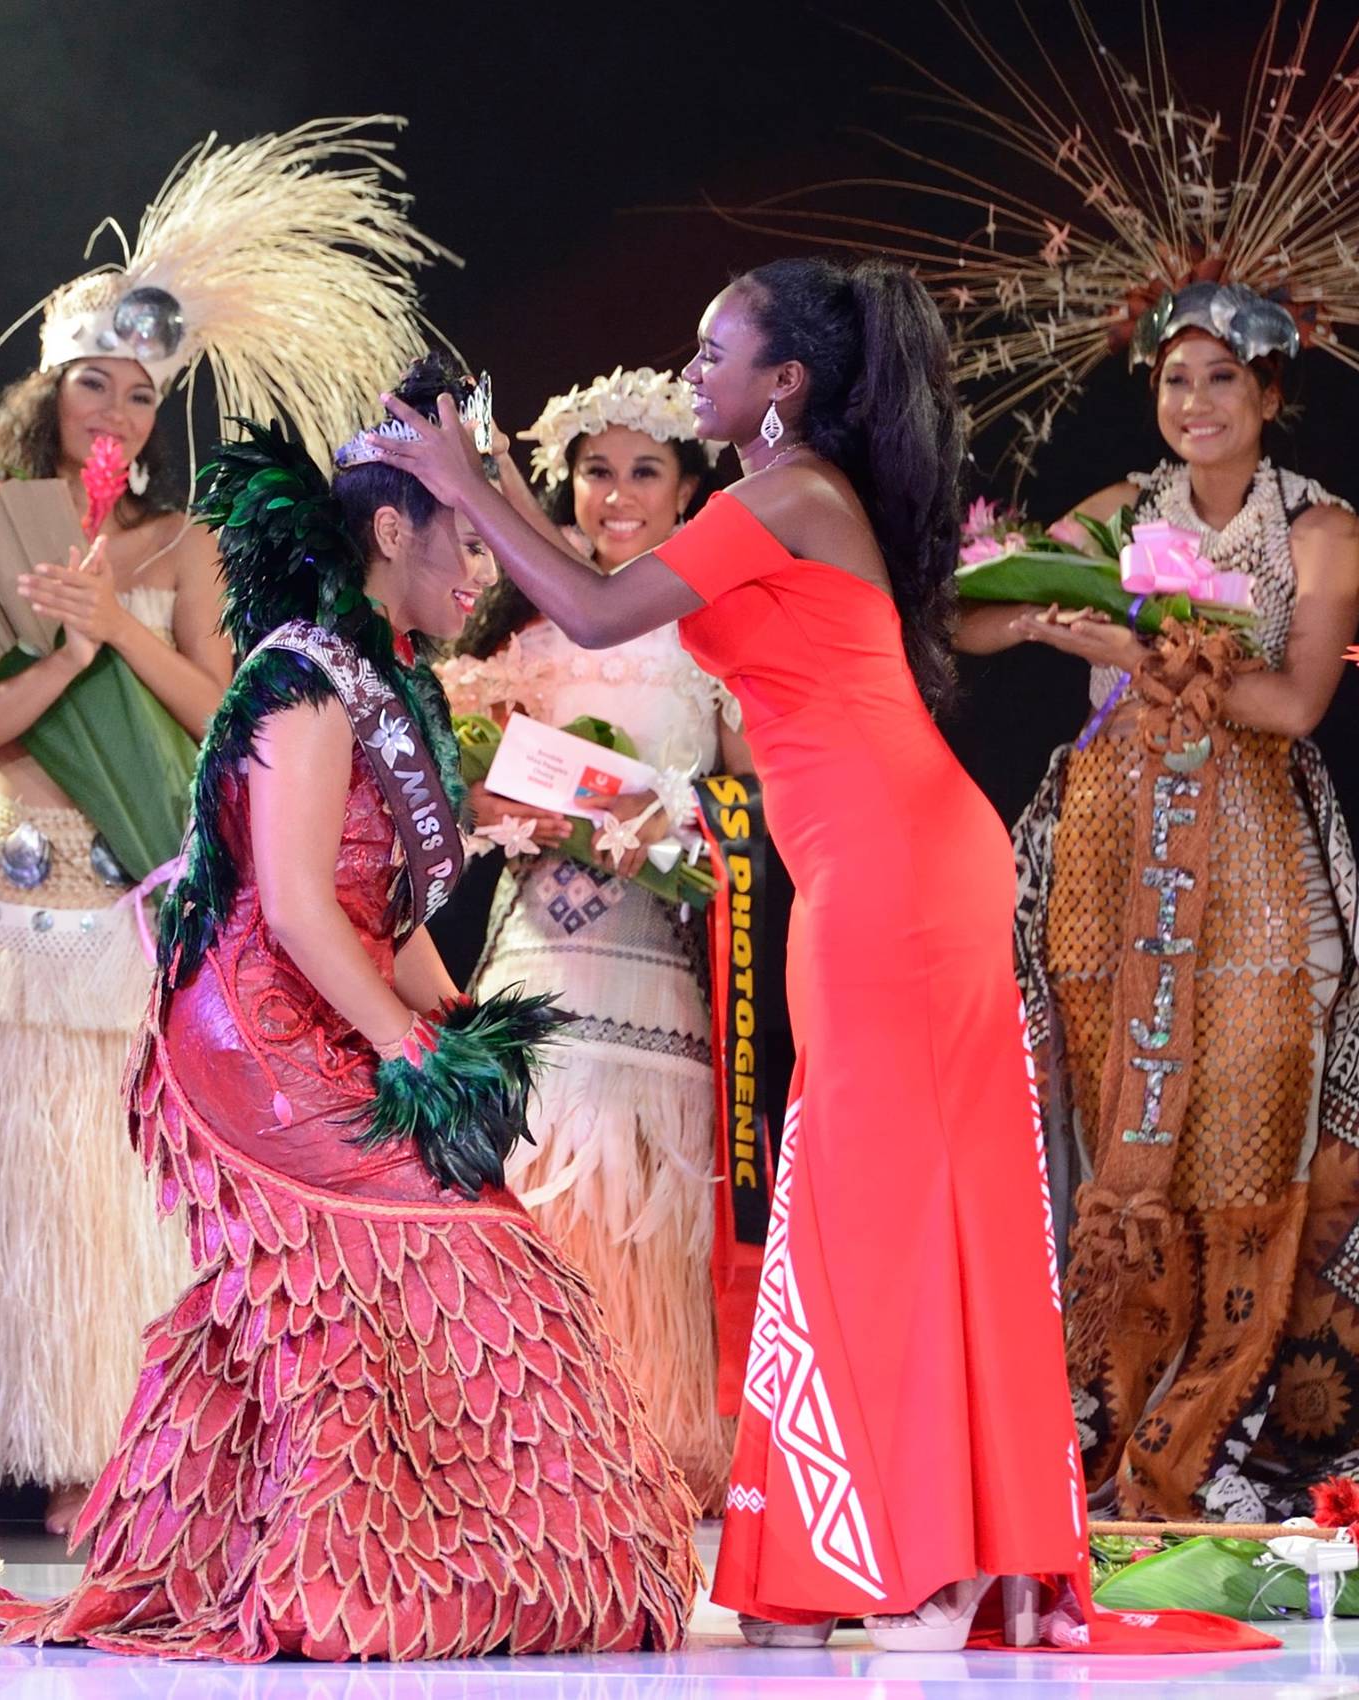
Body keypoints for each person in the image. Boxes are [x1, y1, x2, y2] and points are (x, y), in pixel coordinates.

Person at [0, 356, 701, 1661]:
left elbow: (380, 911)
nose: (486, 570)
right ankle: (344, 1575)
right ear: (392, 530)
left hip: (333, 1001)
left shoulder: (393, 678)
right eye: (466, 540)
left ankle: (336, 1549)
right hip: (253, 1032)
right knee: (430, 1259)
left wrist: (453, 1021)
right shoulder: (301, 679)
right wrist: (408, 1048)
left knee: (443, 1254)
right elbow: (287, 905)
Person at [372, 260, 1090, 1652]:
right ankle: (935, 1554)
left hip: (894, 869)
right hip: (879, 866)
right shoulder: (781, 495)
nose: (691, 371)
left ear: (785, 384)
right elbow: (590, 584)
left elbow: (595, 609)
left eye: (715, 353)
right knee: (896, 1192)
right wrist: (487, 476)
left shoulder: (792, 493)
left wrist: (461, 481)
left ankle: (910, 1560)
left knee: (877, 1200)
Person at [0, 120, 445, 1536]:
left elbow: (225, 709)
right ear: (50, 387)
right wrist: (65, 653)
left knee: (118, 1187)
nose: (120, 414)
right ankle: (15, 1437)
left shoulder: (185, 542)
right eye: (97, 382)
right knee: (18, 1182)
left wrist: (116, 630)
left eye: (144, 395)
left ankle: (123, 1449)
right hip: (12, 903)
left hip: (135, 900)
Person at [958, 294, 1359, 1518]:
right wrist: (1041, 620)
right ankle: (1106, 1412)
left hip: (1255, 861)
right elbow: (963, 613)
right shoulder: (1118, 511)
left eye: (1221, 377)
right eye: (1175, 379)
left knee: (1243, 1136)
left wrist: (1138, 651)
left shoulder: (1318, 526)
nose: (1194, 402)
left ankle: (1213, 1430)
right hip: (1105, 860)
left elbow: (1291, 704)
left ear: (1270, 393)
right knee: (1116, 1133)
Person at [440, 367, 745, 1511]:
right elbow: (457, 779)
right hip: (533, 948)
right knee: (534, 1170)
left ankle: (646, 1435)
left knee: (643, 1188)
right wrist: (511, 809)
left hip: (655, 964)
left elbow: (758, 801)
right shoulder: (516, 623)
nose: (617, 495)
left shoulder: (714, 632)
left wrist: (671, 825)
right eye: (596, 471)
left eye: (643, 471)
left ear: (687, 489)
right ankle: (525, 1433)